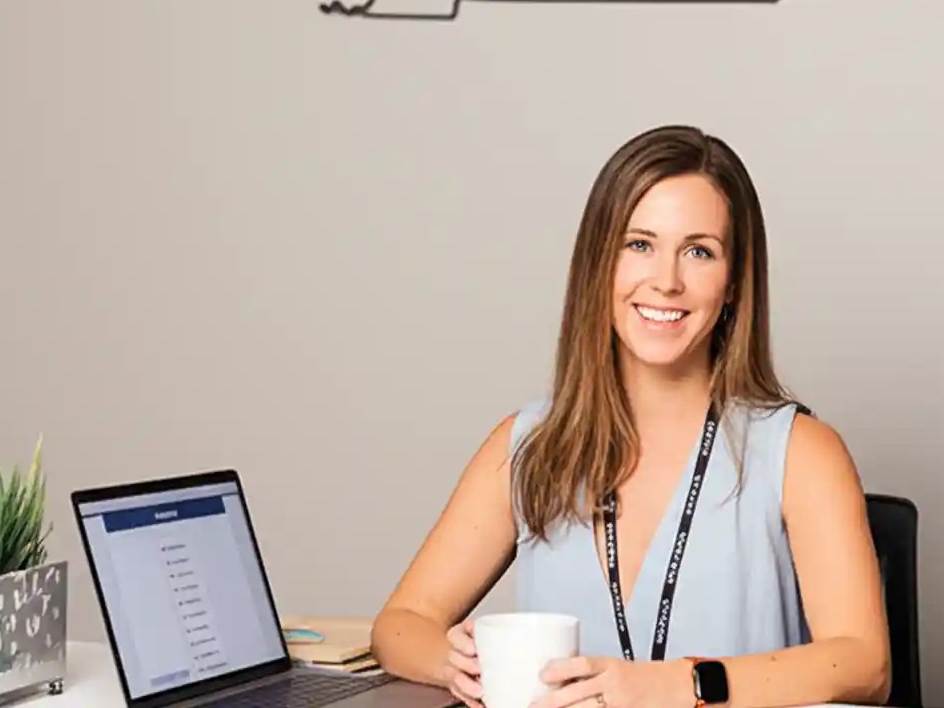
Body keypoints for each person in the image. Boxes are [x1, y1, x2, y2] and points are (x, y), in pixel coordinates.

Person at [370, 124, 891, 708]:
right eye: (639, 244)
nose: (665, 281)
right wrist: (452, 661)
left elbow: (864, 663)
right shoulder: (528, 445)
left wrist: (681, 685)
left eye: (699, 252)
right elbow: (400, 624)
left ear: (734, 283)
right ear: (599, 265)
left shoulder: (801, 451)